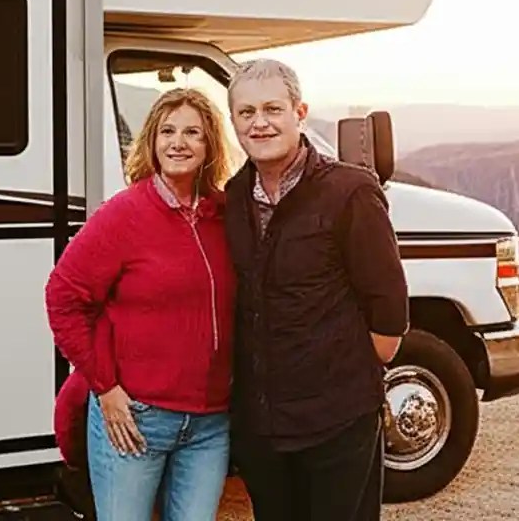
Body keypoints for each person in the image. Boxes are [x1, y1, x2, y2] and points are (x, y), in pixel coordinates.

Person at [222, 58, 410, 521]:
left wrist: (350, 374)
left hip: (336, 423)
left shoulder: (350, 192)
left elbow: (388, 307)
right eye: (246, 113)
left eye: (272, 109)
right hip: (263, 427)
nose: (260, 123)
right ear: (233, 122)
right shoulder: (232, 196)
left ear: (299, 112)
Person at [45, 87, 238, 521]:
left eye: (193, 132)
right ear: (151, 141)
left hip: (209, 425)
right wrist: (105, 387)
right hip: (136, 417)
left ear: (209, 145)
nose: (178, 142)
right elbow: (63, 296)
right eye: (167, 131)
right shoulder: (124, 214)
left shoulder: (225, 215)